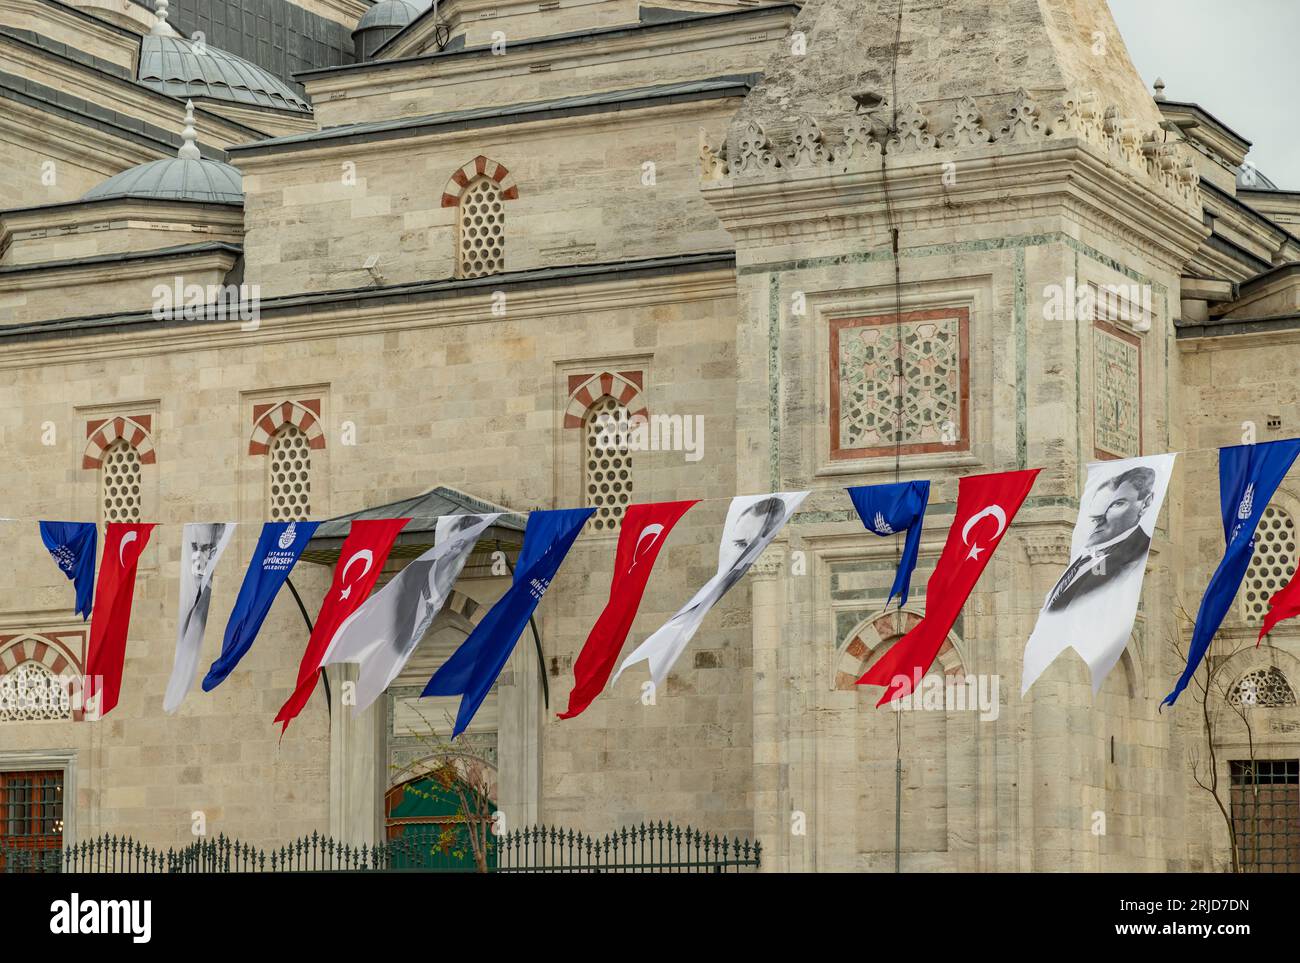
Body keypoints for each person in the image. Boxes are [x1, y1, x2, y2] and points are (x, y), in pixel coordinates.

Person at [1046, 466, 1155, 612]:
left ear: (1145, 503)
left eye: (1116, 504)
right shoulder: (1084, 554)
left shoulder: (1134, 559)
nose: (1098, 518)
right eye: (1097, 505)